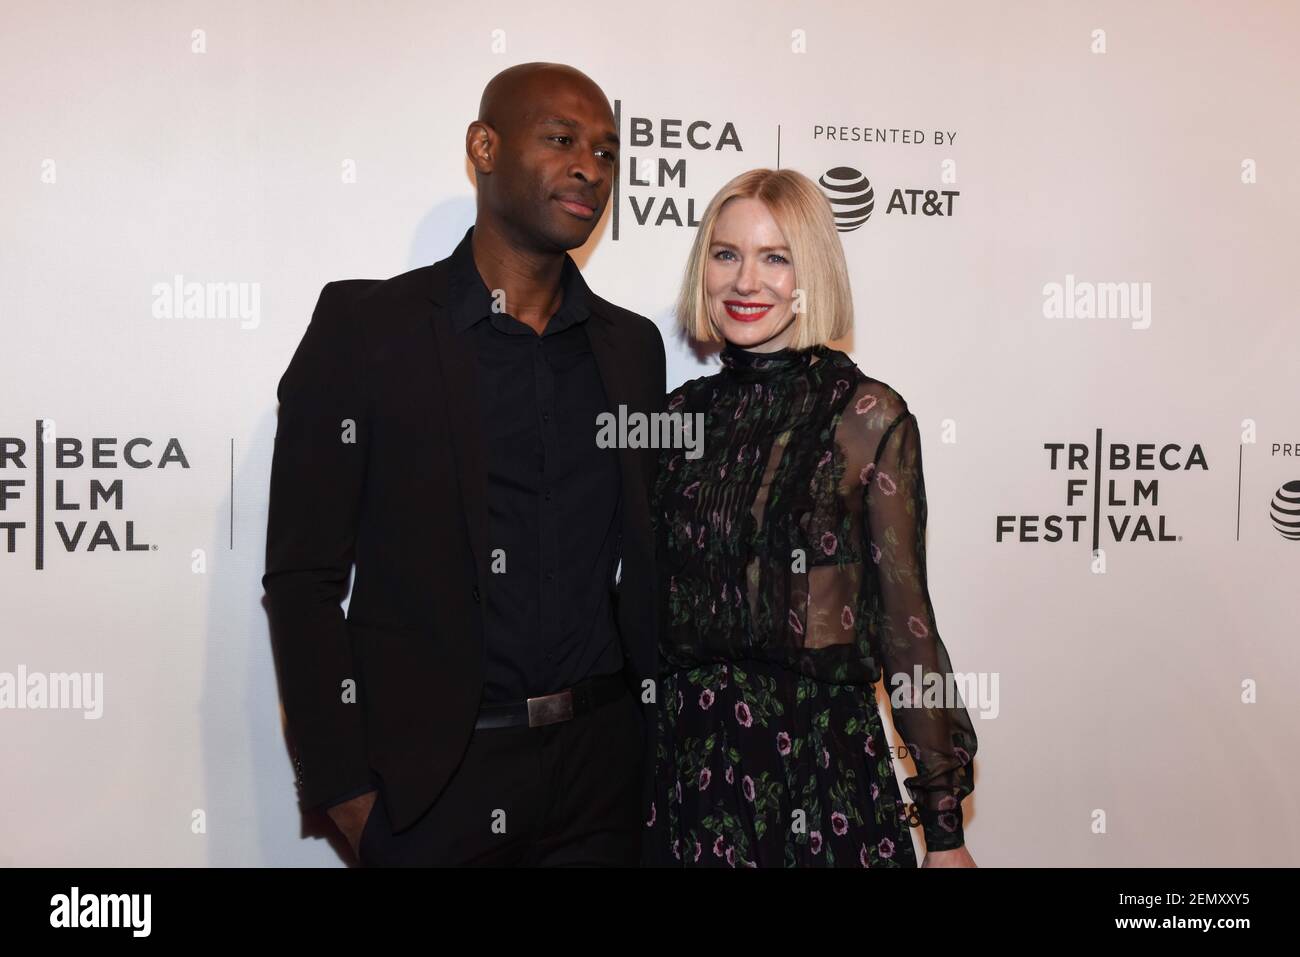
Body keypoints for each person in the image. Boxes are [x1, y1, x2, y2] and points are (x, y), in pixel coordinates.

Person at [263, 62, 665, 866]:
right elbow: (303, 579)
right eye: (561, 140)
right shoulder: (367, 330)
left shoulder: (631, 348)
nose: (589, 167)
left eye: (606, 151)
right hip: (435, 789)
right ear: (484, 147)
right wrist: (347, 793)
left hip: (604, 782)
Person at [643, 168, 978, 867]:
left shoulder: (867, 418)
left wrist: (944, 832)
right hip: (686, 781)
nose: (746, 281)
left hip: (818, 778)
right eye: (727, 253)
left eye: (776, 257)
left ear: (812, 272)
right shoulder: (675, 418)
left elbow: (905, 626)